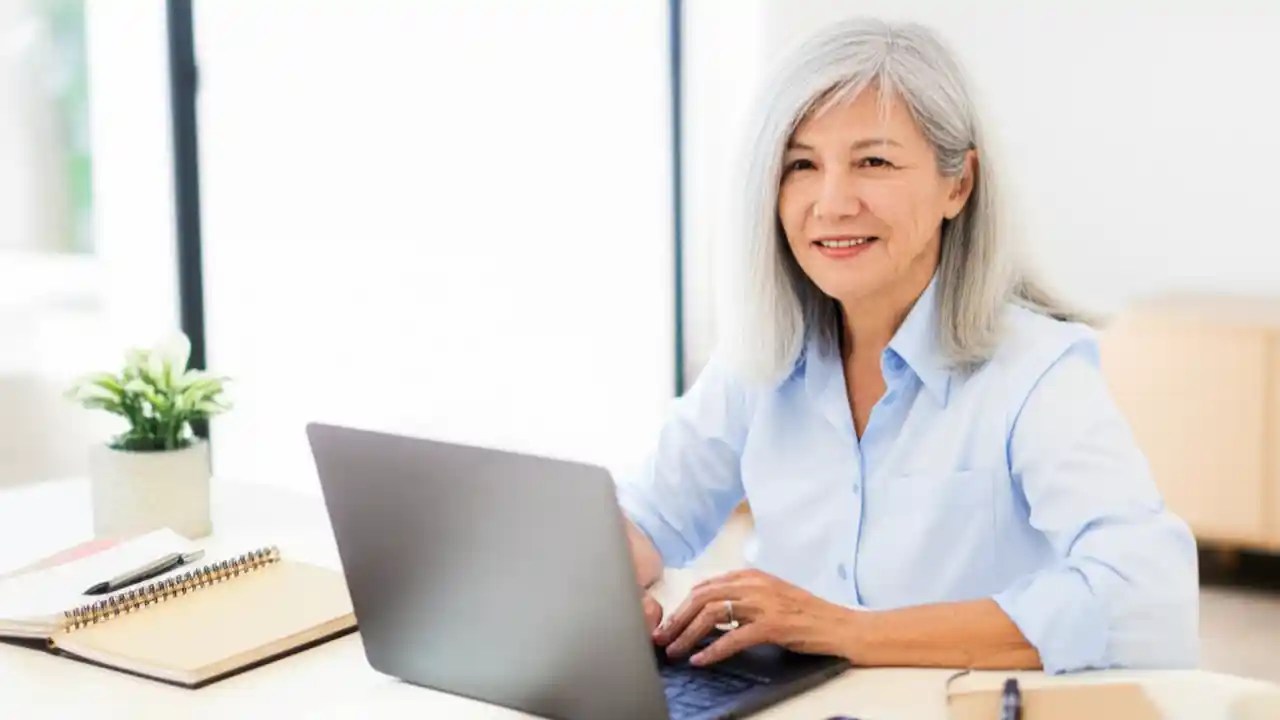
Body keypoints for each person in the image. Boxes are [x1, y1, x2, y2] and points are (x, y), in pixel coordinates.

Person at [615, 17, 1198, 675]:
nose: (831, 203)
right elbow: (644, 518)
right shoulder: (762, 356)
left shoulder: (1038, 371)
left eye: (874, 161)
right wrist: (603, 592)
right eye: (801, 164)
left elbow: (1148, 600)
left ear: (959, 185)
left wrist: (846, 633)